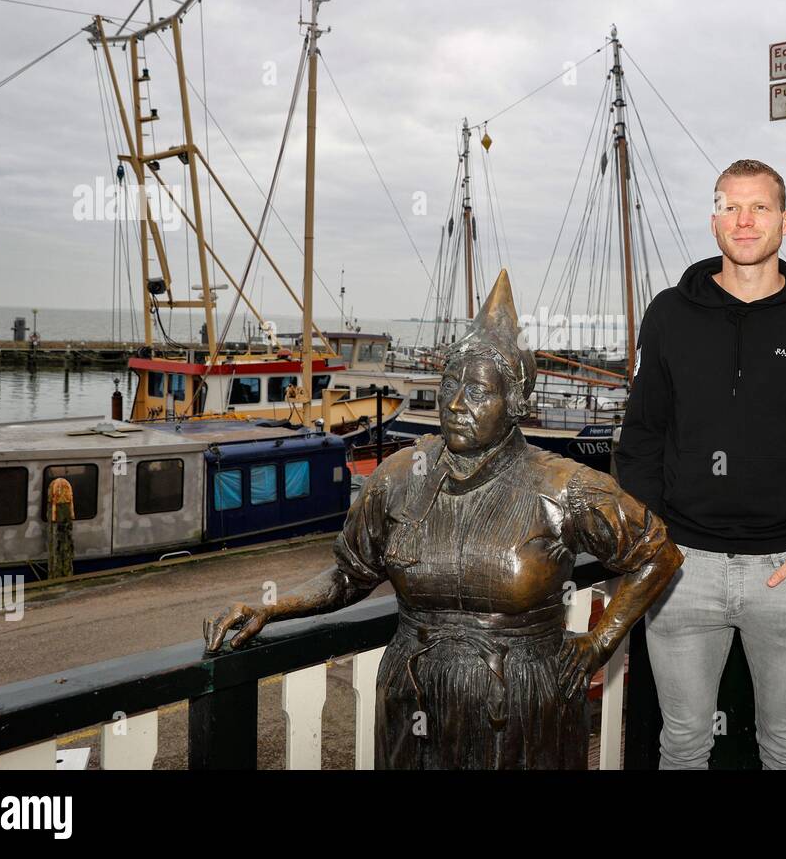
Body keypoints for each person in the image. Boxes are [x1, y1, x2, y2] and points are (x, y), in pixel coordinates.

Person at [205, 270, 682, 769]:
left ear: (517, 403)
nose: (455, 404)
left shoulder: (561, 486)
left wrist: (599, 643)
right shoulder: (399, 477)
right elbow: (349, 575)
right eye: (450, 384)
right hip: (414, 701)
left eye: (477, 392)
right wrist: (271, 606)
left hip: (523, 706)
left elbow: (658, 552)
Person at [614, 158, 786, 769]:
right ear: (714, 221)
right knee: (680, 748)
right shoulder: (670, 314)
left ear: (785, 221)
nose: (744, 219)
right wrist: (657, 540)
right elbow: (641, 438)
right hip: (683, 572)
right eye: (730, 206)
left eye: (759, 207)